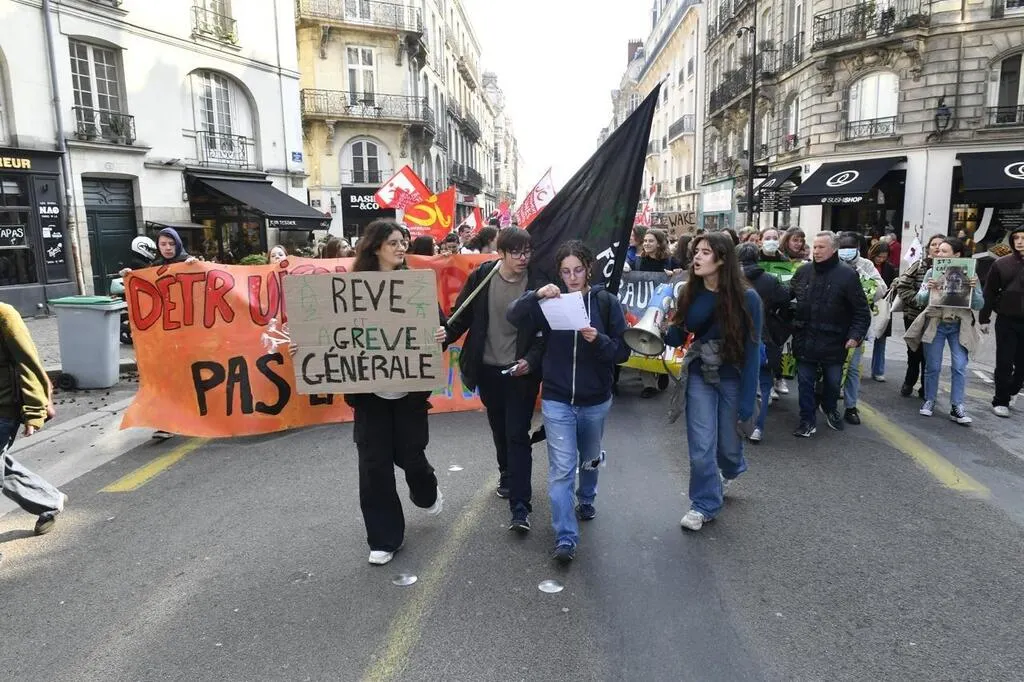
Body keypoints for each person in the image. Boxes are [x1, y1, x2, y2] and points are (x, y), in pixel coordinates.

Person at [507, 240, 628, 563]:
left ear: (589, 268)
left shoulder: (606, 302)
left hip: (595, 399)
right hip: (558, 398)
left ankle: (587, 496)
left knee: (589, 457)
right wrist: (536, 295)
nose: (572, 277)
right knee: (562, 469)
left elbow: (623, 352)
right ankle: (565, 537)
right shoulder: (552, 301)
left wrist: (598, 340)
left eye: (577, 270)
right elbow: (514, 316)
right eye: (565, 272)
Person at [341, 219, 446, 565]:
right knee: (374, 467)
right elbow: (330, 334)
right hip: (370, 398)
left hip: (408, 396)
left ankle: (425, 489)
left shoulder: (416, 288)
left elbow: (439, 325)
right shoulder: (351, 291)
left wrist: (439, 335)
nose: (401, 248)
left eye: (403, 242)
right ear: (375, 248)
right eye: (393, 242)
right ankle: (384, 538)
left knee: (411, 457)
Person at [443, 227, 546, 531]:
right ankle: (506, 473)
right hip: (487, 369)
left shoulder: (538, 281)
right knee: (500, 428)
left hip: (521, 372)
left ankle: (520, 506)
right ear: (500, 253)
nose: (523, 257)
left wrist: (531, 361)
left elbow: (545, 333)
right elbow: (460, 317)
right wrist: (441, 337)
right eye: (516, 252)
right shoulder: (483, 277)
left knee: (517, 433)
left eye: (527, 251)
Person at [663, 232, 762, 531]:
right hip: (700, 374)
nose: (696, 257)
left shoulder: (748, 298)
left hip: (733, 374)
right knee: (701, 447)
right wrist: (668, 328)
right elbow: (679, 334)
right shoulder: (689, 293)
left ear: (722, 258)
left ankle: (733, 466)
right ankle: (704, 504)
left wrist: (748, 400)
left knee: (729, 450)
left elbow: (754, 350)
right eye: (696, 251)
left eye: (705, 252)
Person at [789, 231, 871, 437]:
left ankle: (829, 406)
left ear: (833, 249)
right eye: (814, 247)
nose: (816, 251)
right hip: (805, 338)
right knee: (805, 382)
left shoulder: (847, 275)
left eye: (821, 247)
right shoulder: (803, 272)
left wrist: (855, 335)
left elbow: (861, 311)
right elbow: (787, 297)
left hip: (835, 340)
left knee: (833, 383)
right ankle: (807, 420)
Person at [1, 303, 67, 535]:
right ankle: (47, 501)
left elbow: (28, 363)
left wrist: (35, 409)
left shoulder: (4, 315)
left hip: (3, 410)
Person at [907, 237, 983, 425]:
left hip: (959, 325)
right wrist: (929, 290)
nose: (938, 254)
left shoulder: (971, 274)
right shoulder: (932, 272)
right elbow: (920, 299)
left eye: (944, 251)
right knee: (932, 365)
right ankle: (929, 400)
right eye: (938, 250)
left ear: (957, 255)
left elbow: (979, 304)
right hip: (936, 323)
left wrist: (973, 290)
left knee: (959, 366)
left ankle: (957, 406)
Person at [736, 243, 790, 443]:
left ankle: (736, 422)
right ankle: (757, 427)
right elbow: (785, 299)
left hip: (734, 337)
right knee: (763, 383)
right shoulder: (769, 280)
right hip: (764, 336)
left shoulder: (730, 280)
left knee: (734, 381)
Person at [836, 232, 887, 425]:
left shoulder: (866, 265)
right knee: (829, 365)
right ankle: (827, 400)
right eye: (843, 249)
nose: (847, 253)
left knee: (853, 368)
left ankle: (850, 406)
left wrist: (862, 277)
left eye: (851, 249)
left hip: (856, 324)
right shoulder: (832, 262)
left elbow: (881, 290)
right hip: (832, 322)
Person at [979, 226, 1024, 417]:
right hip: (1007, 319)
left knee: (1022, 365)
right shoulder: (1002, 264)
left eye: (1023, 237)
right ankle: (1001, 400)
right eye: (1016, 238)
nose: (1020, 241)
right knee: (1004, 361)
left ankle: (1013, 388)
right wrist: (984, 318)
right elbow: (989, 293)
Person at [896, 234, 944, 399]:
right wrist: (918, 300)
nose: (937, 248)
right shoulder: (918, 265)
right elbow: (902, 287)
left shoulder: (952, 269)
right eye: (933, 244)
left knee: (930, 356)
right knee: (914, 352)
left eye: (941, 245)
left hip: (938, 319)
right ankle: (909, 382)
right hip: (914, 317)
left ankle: (926, 388)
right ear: (928, 248)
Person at [868, 242, 898, 382]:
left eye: (884, 257)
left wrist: (893, 286)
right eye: (878, 256)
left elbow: (894, 289)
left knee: (881, 338)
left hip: (883, 306)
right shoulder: (866, 265)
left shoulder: (890, 268)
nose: (881, 259)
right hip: (867, 304)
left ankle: (878, 370)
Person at [119, 227, 197, 276]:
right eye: (163, 244)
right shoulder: (156, 265)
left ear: (178, 244)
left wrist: (196, 266)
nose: (168, 248)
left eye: (172, 244)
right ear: (158, 246)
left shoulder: (189, 261)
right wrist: (129, 275)